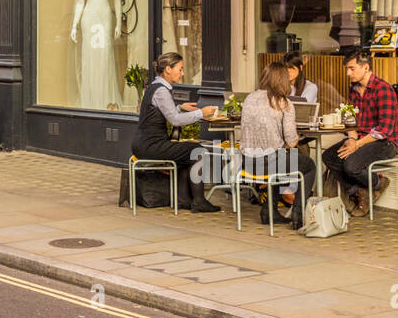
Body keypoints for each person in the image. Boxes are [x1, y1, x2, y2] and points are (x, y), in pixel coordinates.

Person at [130, 52, 221, 213]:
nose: (182, 73)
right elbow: (175, 120)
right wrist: (202, 113)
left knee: (188, 152)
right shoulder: (161, 91)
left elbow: (164, 112)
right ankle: (198, 201)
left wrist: (180, 107)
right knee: (197, 151)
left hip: (143, 143)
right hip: (151, 145)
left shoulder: (154, 87)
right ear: (167, 70)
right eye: (180, 69)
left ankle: (184, 199)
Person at [321, 48, 398, 216]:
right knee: (329, 156)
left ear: (366, 67)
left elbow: (384, 130)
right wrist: (351, 139)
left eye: (352, 68)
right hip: (361, 139)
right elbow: (352, 119)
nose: (348, 73)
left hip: (384, 143)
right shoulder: (354, 89)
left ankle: (378, 183)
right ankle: (361, 191)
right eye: (347, 69)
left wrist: (357, 144)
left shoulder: (383, 89)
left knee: (350, 166)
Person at [239, 63, 315, 229]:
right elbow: (292, 141)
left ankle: (269, 212)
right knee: (308, 166)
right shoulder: (283, 103)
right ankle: (298, 213)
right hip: (269, 163)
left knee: (281, 159)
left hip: (247, 163)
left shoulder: (249, 98)